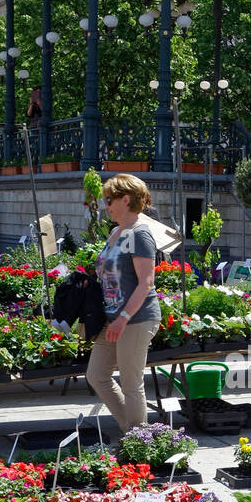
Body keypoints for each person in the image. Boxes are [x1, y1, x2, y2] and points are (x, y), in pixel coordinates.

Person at [86, 175, 161, 434]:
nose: (107, 205)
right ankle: (132, 431)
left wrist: (123, 318)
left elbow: (146, 283)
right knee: (96, 375)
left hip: (136, 318)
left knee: (131, 383)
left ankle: (139, 442)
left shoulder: (140, 234)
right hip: (112, 317)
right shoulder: (115, 232)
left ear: (126, 199)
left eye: (110, 200)